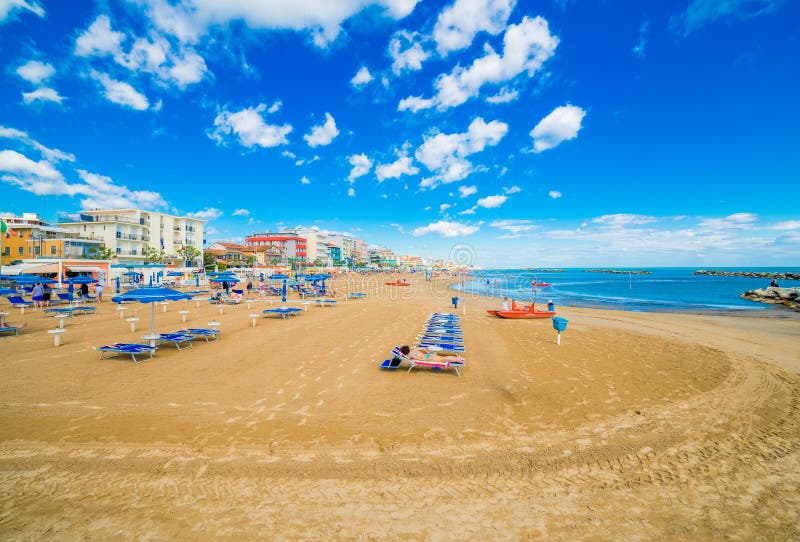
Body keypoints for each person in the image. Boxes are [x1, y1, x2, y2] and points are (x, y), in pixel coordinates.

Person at [399, 345, 465, 363]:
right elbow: (422, 348)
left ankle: (458, 360)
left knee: (443, 359)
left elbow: (417, 358)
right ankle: (458, 359)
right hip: (428, 355)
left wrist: (423, 360)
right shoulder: (413, 350)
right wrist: (427, 352)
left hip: (427, 358)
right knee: (443, 358)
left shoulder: (410, 356)